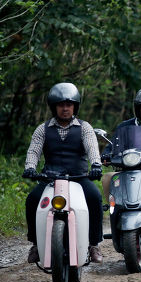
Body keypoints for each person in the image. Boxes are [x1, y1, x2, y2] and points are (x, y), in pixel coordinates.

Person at [22, 83, 104, 264]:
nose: (65, 108)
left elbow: (92, 148)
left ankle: (93, 244)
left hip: (79, 178)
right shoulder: (42, 129)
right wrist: (30, 167)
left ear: (75, 106)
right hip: (50, 178)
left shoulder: (85, 127)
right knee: (32, 200)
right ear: (54, 107)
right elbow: (33, 151)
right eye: (61, 105)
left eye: (69, 104)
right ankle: (36, 244)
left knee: (95, 197)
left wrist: (96, 164)